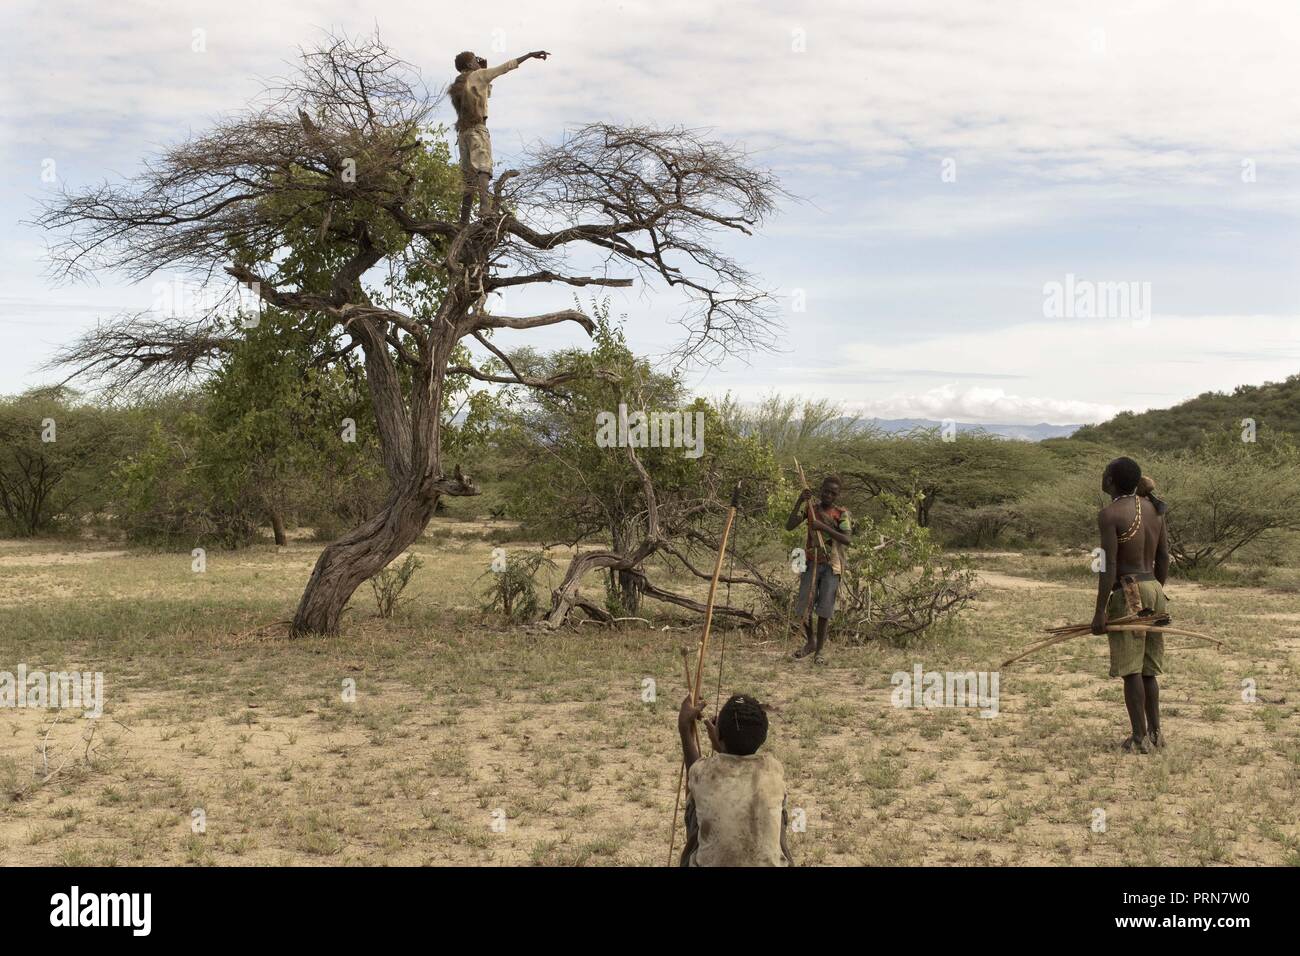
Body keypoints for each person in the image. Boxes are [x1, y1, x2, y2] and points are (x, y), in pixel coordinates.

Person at [1089, 457, 1170, 754]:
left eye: (1103, 472)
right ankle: (1156, 734)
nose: (1102, 476)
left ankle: (1139, 738)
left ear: (1110, 481)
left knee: (1132, 670)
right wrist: (1156, 590)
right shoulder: (1155, 510)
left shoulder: (1110, 514)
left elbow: (1108, 566)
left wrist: (1100, 612)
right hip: (1154, 589)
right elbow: (1163, 558)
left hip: (1130, 591)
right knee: (1149, 669)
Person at [677, 692, 793, 866]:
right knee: (776, 811)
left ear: (718, 734)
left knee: (696, 801)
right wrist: (722, 744)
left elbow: (696, 776)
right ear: (763, 737)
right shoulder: (773, 770)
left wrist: (685, 730)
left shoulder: (702, 772)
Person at [447, 48, 550, 222]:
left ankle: (463, 221)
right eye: (474, 60)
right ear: (470, 63)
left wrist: (483, 74)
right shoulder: (479, 75)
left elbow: (483, 94)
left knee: (468, 178)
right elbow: (506, 67)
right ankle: (485, 207)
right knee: (483, 168)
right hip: (478, 130)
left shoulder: (459, 83)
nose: (477, 61)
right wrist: (529, 55)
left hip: (463, 134)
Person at [785, 474, 852, 664]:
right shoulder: (811, 509)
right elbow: (789, 526)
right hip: (811, 562)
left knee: (825, 609)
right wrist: (799, 501)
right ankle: (810, 642)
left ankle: (819, 651)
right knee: (804, 606)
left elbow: (847, 539)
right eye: (826, 491)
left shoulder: (841, 514)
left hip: (832, 566)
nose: (828, 495)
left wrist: (822, 526)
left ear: (837, 495)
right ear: (821, 490)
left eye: (833, 493)